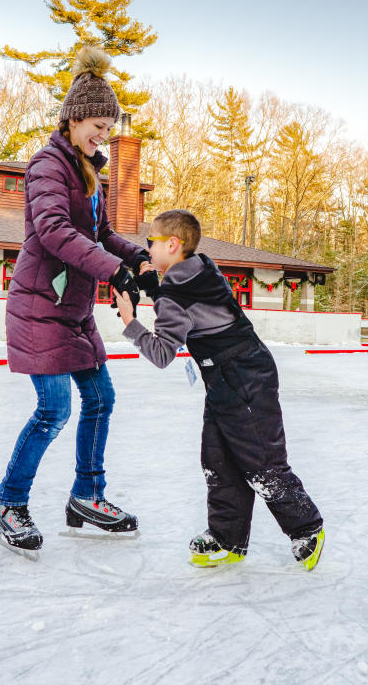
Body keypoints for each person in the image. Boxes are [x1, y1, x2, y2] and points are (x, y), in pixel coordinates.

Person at [0, 47, 155, 553]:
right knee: (53, 410)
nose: (103, 136)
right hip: (41, 306)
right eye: (98, 126)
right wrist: (115, 273)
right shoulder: (47, 165)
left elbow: (101, 232)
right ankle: (10, 504)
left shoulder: (89, 171)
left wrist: (141, 261)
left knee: (101, 399)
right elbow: (54, 230)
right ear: (74, 117)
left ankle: (87, 495)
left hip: (74, 311)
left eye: (109, 128)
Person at [114, 209, 325, 570]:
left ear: (173, 244)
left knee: (261, 458)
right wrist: (156, 285)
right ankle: (228, 538)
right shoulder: (200, 267)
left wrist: (132, 321)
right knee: (219, 460)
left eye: (151, 242)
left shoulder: (174, 295)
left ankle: (307, 528)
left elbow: (163, 353)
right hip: (232, 375)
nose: (147, 249)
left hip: (242, 376)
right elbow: (184, 301)